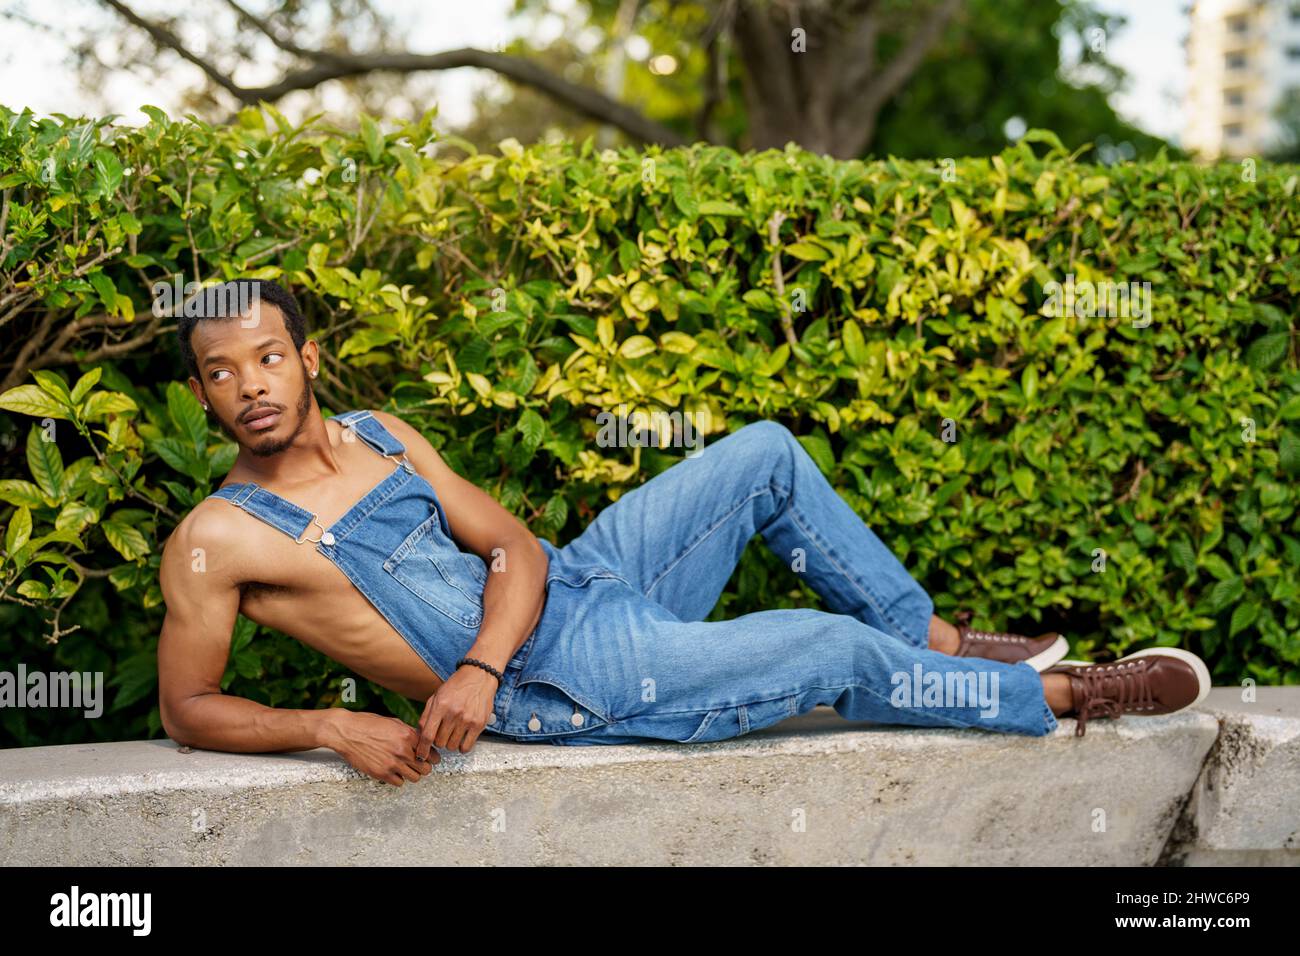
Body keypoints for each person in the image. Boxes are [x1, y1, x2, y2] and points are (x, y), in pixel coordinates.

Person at [157, 280, 1211, 787]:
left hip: (570, 588)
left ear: (304, 354)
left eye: (267, 356)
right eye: (220, 370)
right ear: (201, 393)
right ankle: (1079, 696)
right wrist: (334, 726)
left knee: (762, 449)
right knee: (827, 649)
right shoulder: (222, 536)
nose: (249, 385)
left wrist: (479, 654)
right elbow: (187, 706)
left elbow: (515, 549)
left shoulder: (379, 433)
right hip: (565, 680)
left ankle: (926, 633)